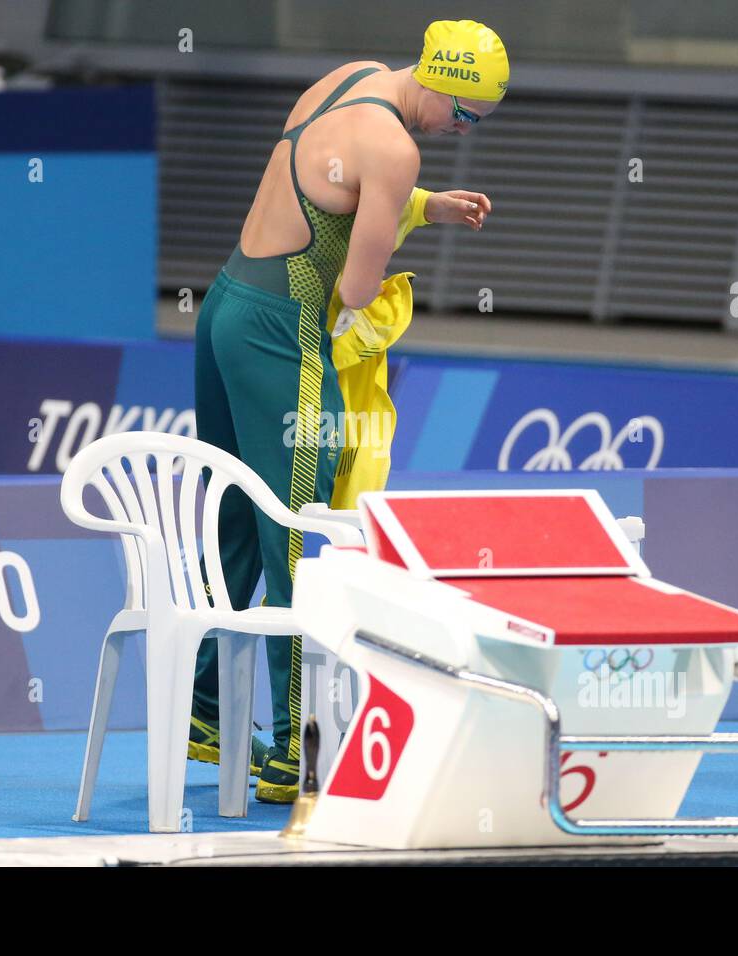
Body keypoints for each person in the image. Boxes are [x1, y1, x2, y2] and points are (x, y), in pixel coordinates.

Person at [188, 19, 508, 803]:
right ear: (442, 84)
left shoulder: (352, 77)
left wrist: (423, 205)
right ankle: (298, 748)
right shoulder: (399, 150)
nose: (461, 132)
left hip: (226, 307)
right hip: (283, 336)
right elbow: (358, 287)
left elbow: (333, 184)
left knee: (236, 516)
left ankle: (206, 710)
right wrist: (390, 285)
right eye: (464, 116)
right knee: (301, 536)